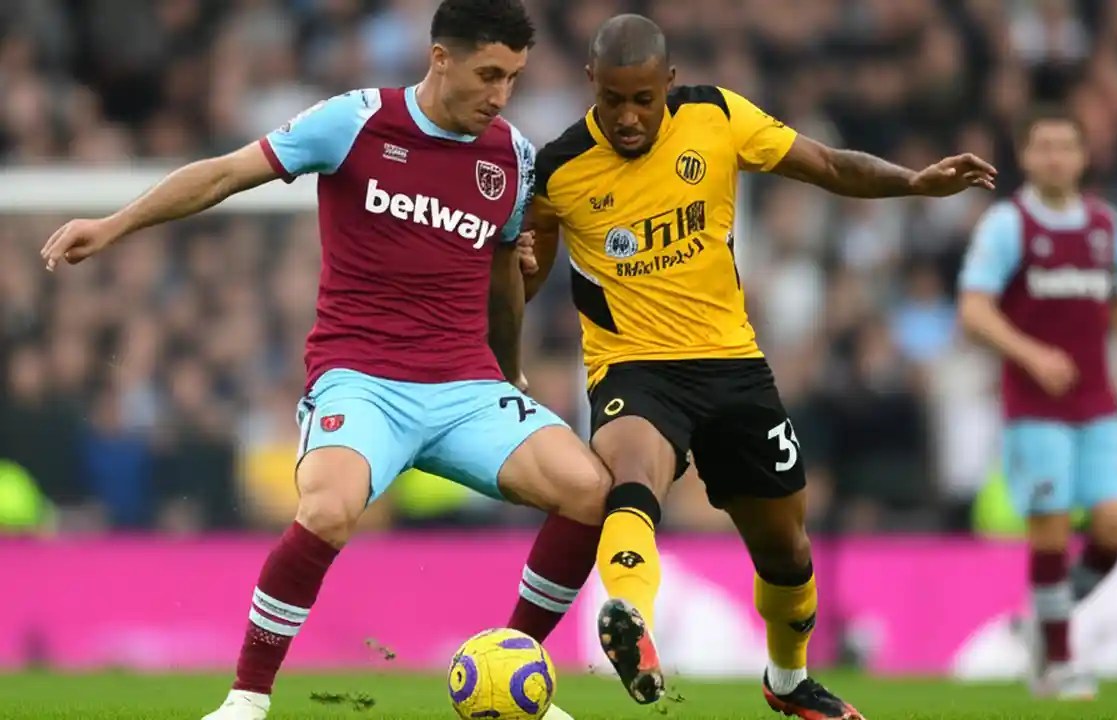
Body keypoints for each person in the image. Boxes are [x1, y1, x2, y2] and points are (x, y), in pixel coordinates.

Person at [41, 2, 605, 719]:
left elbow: (502, 275)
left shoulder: (512, 158)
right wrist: (113, 225)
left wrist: (510, 365)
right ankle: (247, 699)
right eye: (489, 74)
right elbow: (223, 174)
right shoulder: (356, 121)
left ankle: (509, 664)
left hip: (464, 385)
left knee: (589, 490)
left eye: (515, 79)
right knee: (329, 510)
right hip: (363, 380)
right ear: (441, 59)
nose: (500, 95)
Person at [519, 14, 995, 720]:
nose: (626, 116)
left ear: (668, 85)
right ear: (590, 83)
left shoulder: (716, 116)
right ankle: (628, 614)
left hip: (732, 366)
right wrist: (520, 275)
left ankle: (788, 678)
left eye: (642, 100)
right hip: (634, 368)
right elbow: (528, 271)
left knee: (786, 548)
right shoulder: (558, 168)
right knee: (630, 474)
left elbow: (829, 165)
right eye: (612, 99)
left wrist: (914, 184)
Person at [957, 108, 1117, 699]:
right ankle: (1056, 662)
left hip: (1097, 404)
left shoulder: (1106, 225)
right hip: (1035, 408)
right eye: (1044, 146)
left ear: (1084, 157)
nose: (1056, 157)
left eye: (1066, 146)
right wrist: (1031, 354)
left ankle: (1039, 623)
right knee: (1052, 532)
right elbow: (975, 310)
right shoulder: (1008, 226)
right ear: (1027, 156)